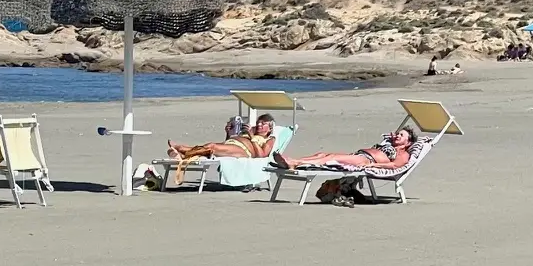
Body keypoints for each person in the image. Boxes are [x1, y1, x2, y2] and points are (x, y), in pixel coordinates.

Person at [270, 127, 418, 172]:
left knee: (331, 157)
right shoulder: (391, 144)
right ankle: (294, 161)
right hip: (359, 155)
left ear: (408, 141)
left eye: (401, 135)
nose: (398, 136)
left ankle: (294, 163)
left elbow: (394, 165)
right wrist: (391, 141)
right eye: (398, 134)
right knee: (323, 154)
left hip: (367, 160)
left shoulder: (403, 153)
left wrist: (372, 165)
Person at [167, 113, 277, 163]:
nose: (259, 125)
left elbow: (262, 156)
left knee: (211, 147)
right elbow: (228, 142)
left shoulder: (270, 139)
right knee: (210, 148)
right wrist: (229, 133)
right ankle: (183, 155)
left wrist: (251, 137)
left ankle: (182, 149)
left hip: (244, 151)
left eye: (263, 124)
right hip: (232, 145)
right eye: (258, 123)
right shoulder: (251, 131)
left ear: (270, 128)